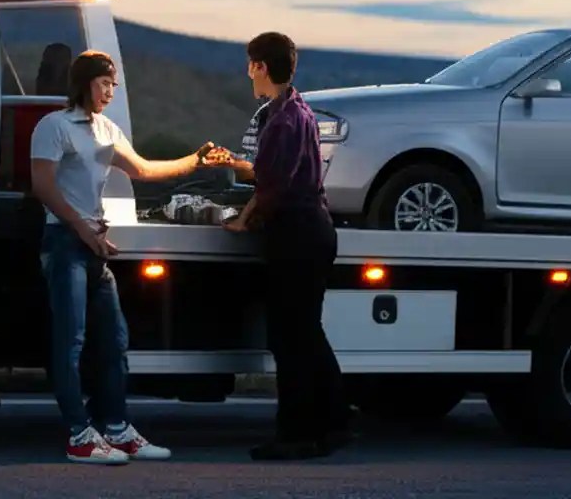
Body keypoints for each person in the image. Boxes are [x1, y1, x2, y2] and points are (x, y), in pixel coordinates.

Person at [30, 49, 218, 465]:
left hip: (94, 246)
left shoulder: (106, 130)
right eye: (104, 84)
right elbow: (42, 186)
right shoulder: (54, 127)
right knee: (71, 341)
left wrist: (194, 161)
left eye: (113, 84)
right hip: (65, 242)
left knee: (114, 341)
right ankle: (79, 435)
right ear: (84, 83)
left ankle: (115, 428)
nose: (110, 92)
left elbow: (143, 170)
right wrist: (82, 229)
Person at [221, 31, 352, 461]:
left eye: (249, 63)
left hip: (295, 233)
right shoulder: (295, 111)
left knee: (289, 339)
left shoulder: (282, 119)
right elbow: (272, 172)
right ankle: (332, 425)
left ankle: (296, 436)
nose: (247, 72)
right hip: (312, 229)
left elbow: (273, 186)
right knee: (308, 333)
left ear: (260, 65)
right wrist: (236, 165)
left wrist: (241, 221)